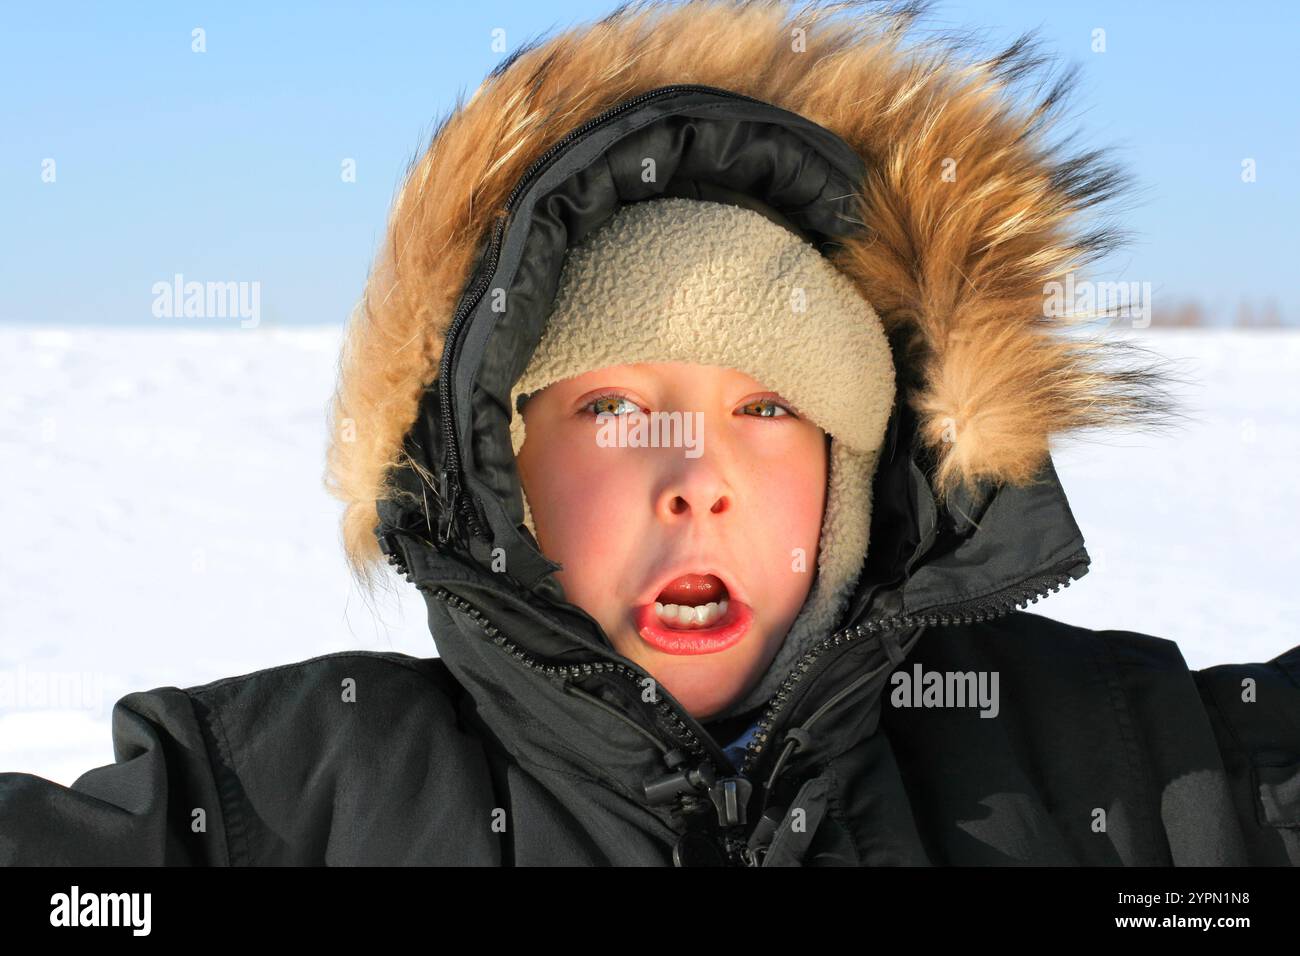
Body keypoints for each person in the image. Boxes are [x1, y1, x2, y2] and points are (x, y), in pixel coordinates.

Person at [3, 0, 1298, 866]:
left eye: (768, 409)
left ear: (853, 485)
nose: (697, 484)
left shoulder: (1113, 770)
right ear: (496, 468)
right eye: (614, 412)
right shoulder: (285, 808)